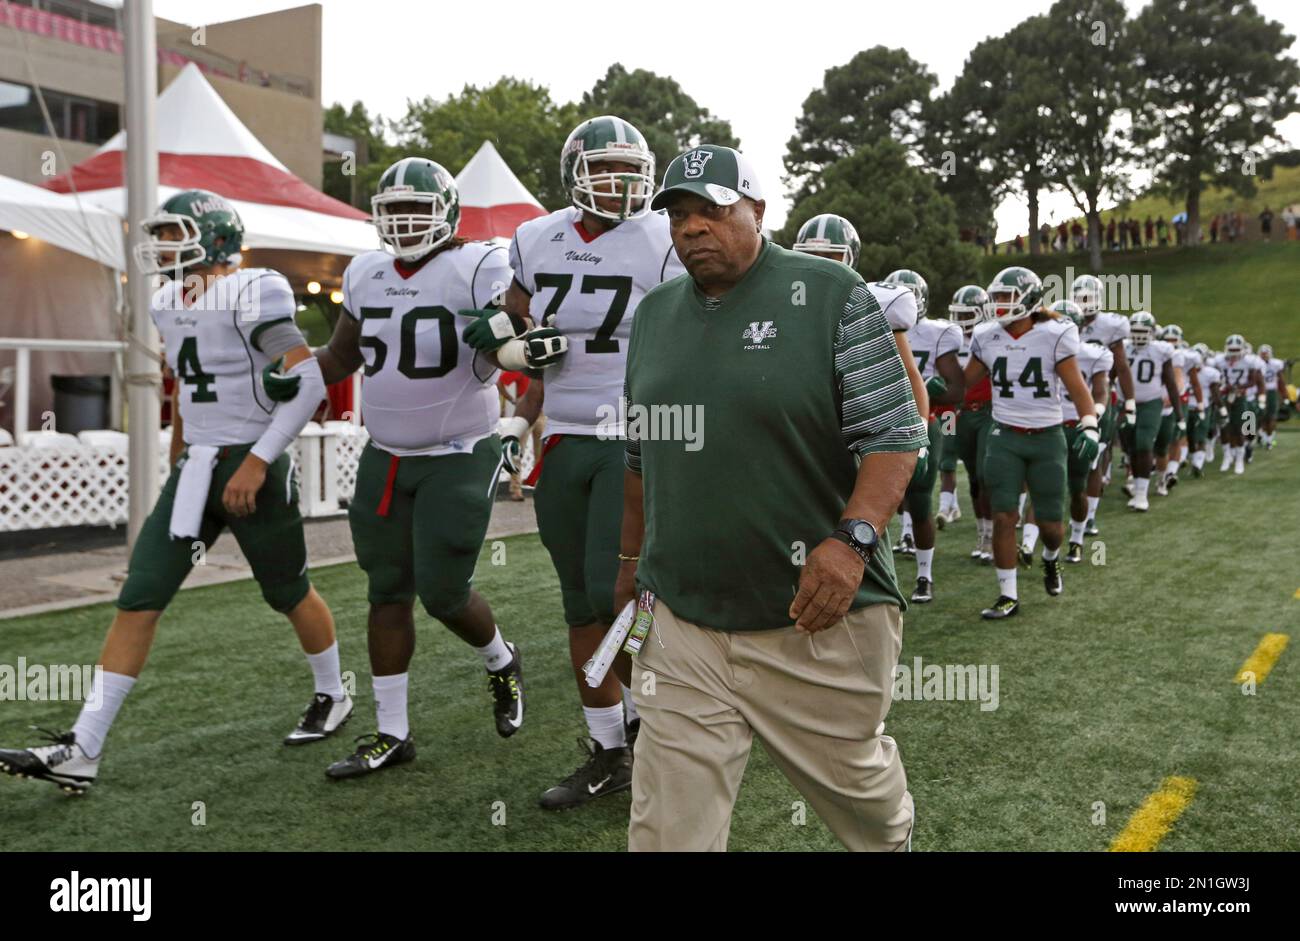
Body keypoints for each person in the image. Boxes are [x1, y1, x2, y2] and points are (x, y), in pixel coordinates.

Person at [621, 144, 927, 852]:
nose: (693, 227)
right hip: (683, 616)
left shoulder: (831, 294)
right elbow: (639, 456)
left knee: (868, 813)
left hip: (812, 613)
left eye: (713, 210)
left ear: (757, 210)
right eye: (679, 215)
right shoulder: (656, 314)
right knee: (667, 830)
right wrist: (629, 562)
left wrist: (853, 540)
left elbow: (894, 433)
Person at [0, 190, 349, 793]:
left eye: (172, 234)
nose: (161, 246)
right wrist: (178, 458)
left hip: (251, 459)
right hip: (198, 465)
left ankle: (334, 693)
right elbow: (188, 388)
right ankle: (84, 747)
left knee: (286, 590)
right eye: (160, 235)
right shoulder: (167, 298)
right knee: (141, 594)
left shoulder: (253, 289)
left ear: (211, 236)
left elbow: (308, 380)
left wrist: (259, 462)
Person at [302, 157, 544, 779]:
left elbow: (518, 331)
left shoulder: (480, 264)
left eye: (419, 208)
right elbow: (340, 355)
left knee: (442, 593)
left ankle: (500, 659)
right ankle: (391, 733)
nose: (406, 221)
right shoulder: (363, 272)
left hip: (458, 453)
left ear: (448, 211)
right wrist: (284, 373)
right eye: (394, 211)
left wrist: (510, 341)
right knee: (385, 591)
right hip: (384, 457)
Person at [491, 115, 682, 810]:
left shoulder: (666, 238)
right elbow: (510, 333)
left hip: (637, 434)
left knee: (621, 592)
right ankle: (611, 743)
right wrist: (517, 399)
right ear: (575, 171)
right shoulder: (535, 238)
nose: (619, 183)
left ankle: (658, 727)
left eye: (630, 170)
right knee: (579, 598)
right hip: (565, 439)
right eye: (604, 168)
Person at [964, 267, 1098, 619]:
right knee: (1004, 514)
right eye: (996, 297)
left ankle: (1051, 560)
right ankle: (1007, 594)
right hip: (1004, 435)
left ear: (1030, 299)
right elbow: (963, 384)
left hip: (1047, 437)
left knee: (1053, 527)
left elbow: (1077, 388)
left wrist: (1089, 426)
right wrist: (932, 388)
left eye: (1007, 296)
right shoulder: (986, 336)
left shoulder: (1055, 333)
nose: (999, 304)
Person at [886, 269, 964, 603]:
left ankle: (924, 575)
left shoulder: (938, 333)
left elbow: (956, 389)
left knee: (919, 500)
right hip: (882, 421)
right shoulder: (875, 329)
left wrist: (937, 390)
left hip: (928, 419)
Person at [1049, 302, 1111, 563]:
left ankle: (1076, 539)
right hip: (1049, 424)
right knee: (1044, 487)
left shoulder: (1094, 353)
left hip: (1078, 424)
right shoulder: (1041, 349)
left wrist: (1091, 419)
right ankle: (1030, 544)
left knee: (1077, 487)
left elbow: (1100, 391)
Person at [945, 285, 995, 561]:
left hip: (988, 411)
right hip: (962, 413)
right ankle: (982, 532)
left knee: (987, 476)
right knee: (975, 479)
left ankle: (991, 535)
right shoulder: (948, 338)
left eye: (967, 313)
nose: (961, 320)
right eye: (958, 313)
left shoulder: (990, 336)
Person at [1119, 313, 1182, 509]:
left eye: (1143, 331)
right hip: (1125, 402)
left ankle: (1141, 494)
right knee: (1130, 448)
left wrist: (1179, 414)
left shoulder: (1160, 351)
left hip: (1150, 403)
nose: (1138, 336)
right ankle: (1137, 487)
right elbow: (1111, 374)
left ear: (1153, 333)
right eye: (1135, 331)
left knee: (1144, 444)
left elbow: (1171, 383)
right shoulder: (1121, 347)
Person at [1209, 335, 1267, 475]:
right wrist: (1226, 386)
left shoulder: (1250, 361)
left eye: (1237, 349)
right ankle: (1227, 456)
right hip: (1224, 397)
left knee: (1241, 428)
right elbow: (1214, 378)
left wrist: (1239, 388)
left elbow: (1255, 381)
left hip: (1241, 397)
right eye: (1232, 349)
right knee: (1223, 427)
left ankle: (1240, 457)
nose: (1234, 353)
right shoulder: (1219, 361)